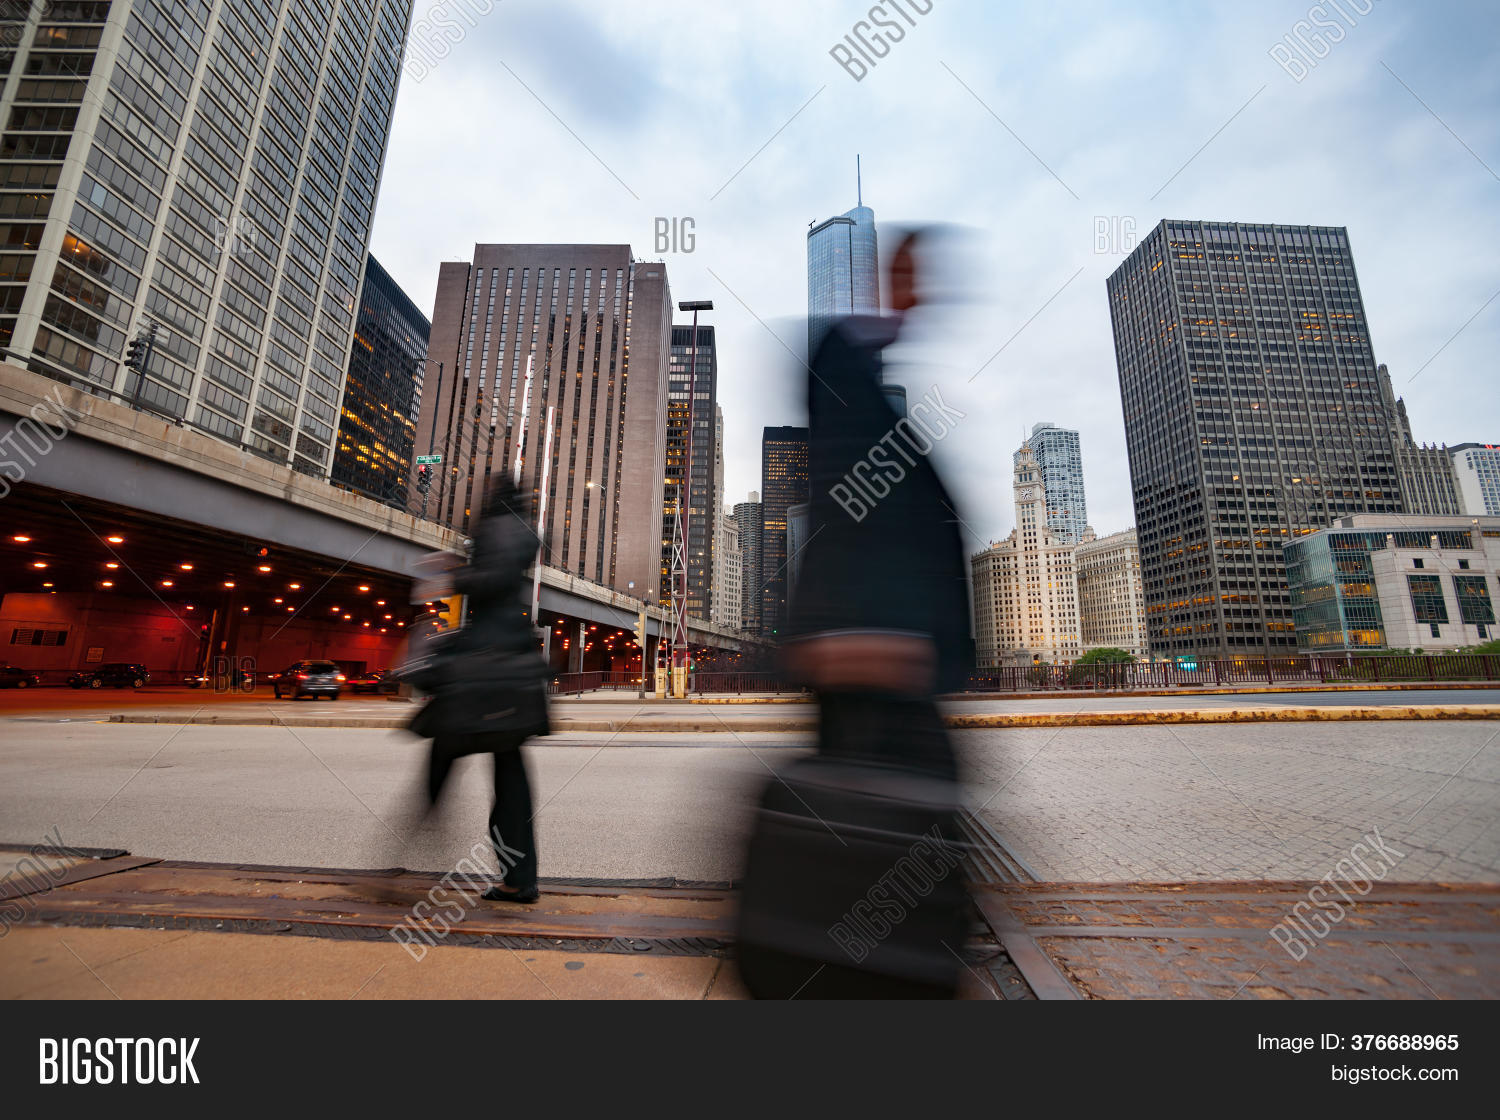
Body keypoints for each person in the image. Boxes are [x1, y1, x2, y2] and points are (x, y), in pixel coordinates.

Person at [736, 229, 973, 998]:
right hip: (873, 662)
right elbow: (849, 495)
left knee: (904, 856)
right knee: (871, 854)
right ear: (885, 280)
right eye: (910, 275)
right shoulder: (845, 363)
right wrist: (843, 640)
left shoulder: (877, 383)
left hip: (899, 663)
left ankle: (870, 968)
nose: (924, 290)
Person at [411, 474, 550, 903]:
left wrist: (454, 575)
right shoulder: (527, 531)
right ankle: (519, 877)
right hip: (512, 664)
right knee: (510, 777)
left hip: (483, 667)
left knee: (443, 749)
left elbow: (494, 578)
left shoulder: (496, 528)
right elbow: (505, 577)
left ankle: (410, 844)